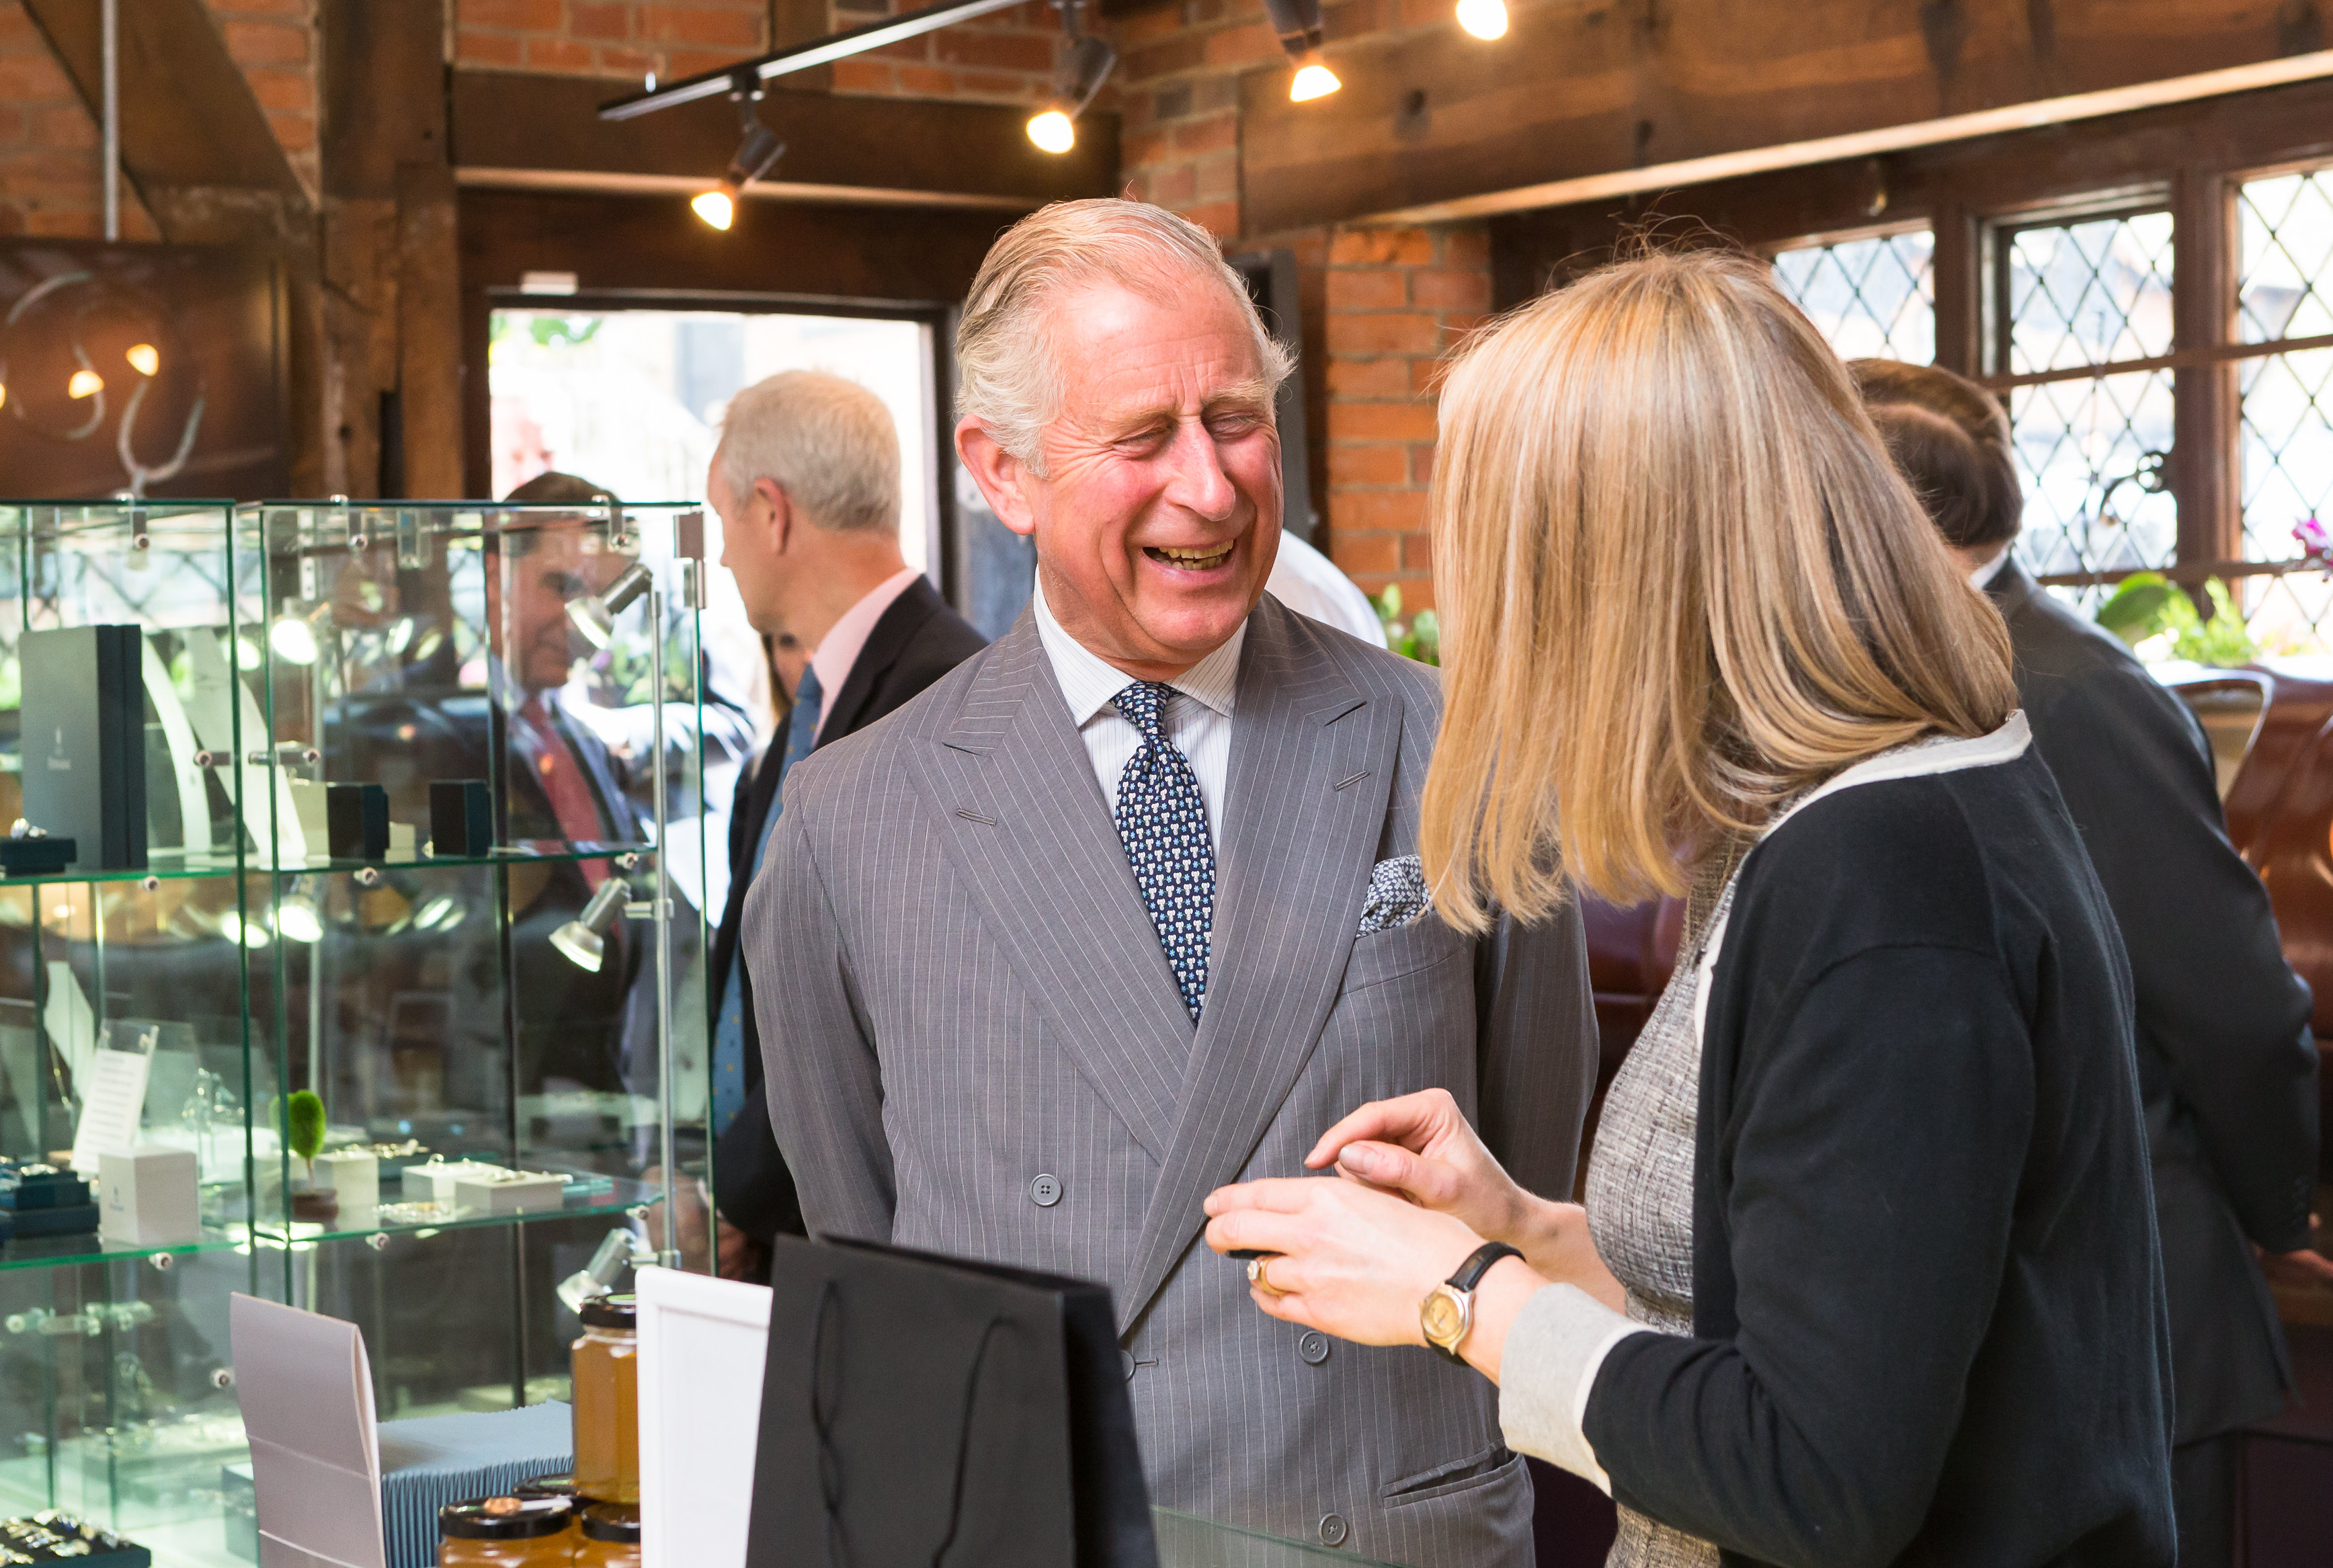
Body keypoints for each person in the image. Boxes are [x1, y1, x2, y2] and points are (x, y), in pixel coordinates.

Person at [1201, 250, 2176, 1567]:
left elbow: (1816, 1476)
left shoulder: (1881, 877)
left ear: (1612, 578)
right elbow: (1817, 1291)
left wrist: (1458, 1301)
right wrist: (1522, 1226)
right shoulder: (1853, 805)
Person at [745, 198, 1597, 1566]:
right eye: (1142, 437)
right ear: (1002, 471)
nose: (1206, 487)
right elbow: (865, 1242)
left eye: (1236, 418)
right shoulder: (854, 818)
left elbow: (1533, 1161)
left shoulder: (1457, 751)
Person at [1852, 357, 2326, 1567]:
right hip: (1992, 1332)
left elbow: (2227, 1004)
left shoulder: (2070, 691)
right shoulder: (1924, 671)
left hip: (2128, 1318)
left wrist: (2286, 1203)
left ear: (1886, 513)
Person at [703, 370, 985, 1282]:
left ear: (771, 513)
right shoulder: (811, 704)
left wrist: (732, 1200)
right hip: (780, 1246)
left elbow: (896, 1011)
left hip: (882, 1250)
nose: (720, 558)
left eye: (722, 523)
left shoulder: (952, 695)